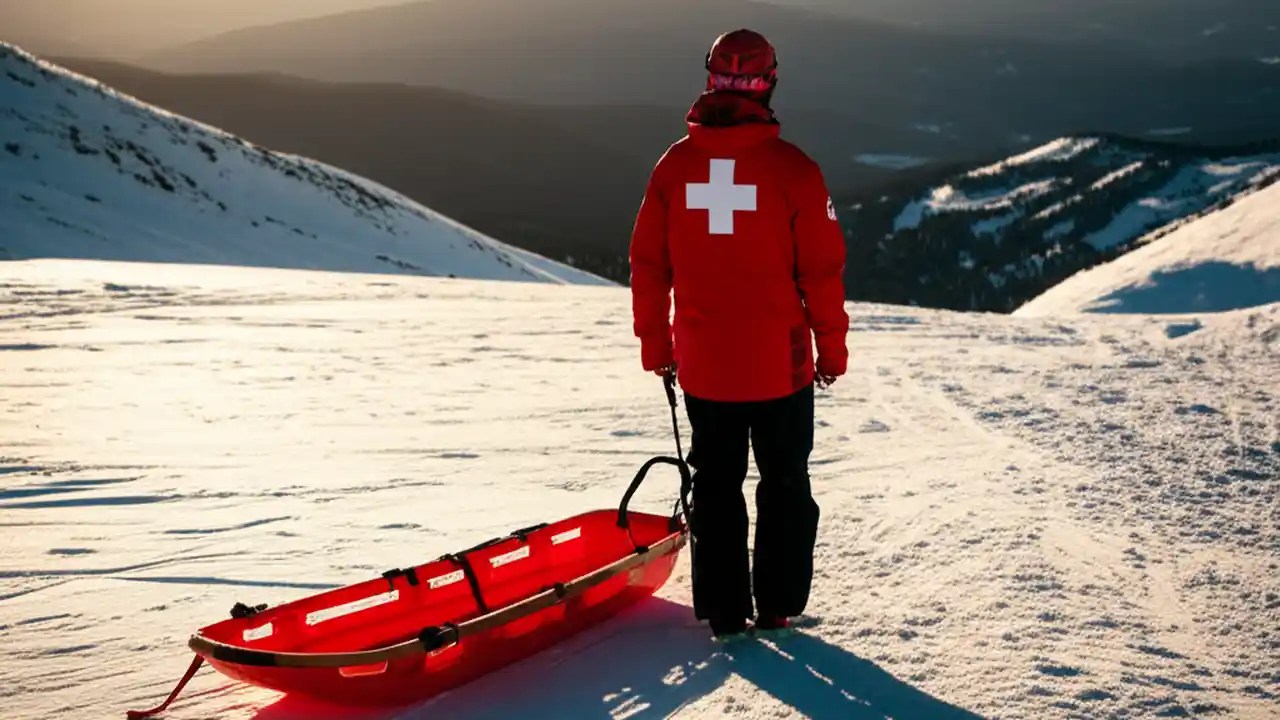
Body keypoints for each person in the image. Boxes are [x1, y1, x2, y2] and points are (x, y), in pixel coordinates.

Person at [628, 29, 850, 638]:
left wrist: (657, 346)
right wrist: (832, 349)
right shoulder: (795, 170)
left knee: (716, 485)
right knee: (784, 483)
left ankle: (725, 612)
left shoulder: (674, 167)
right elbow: (822, 273)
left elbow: (649, 266)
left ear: (710, 81)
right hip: (780, 367)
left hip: (704, 367)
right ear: (769, 83)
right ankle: (776, 605)